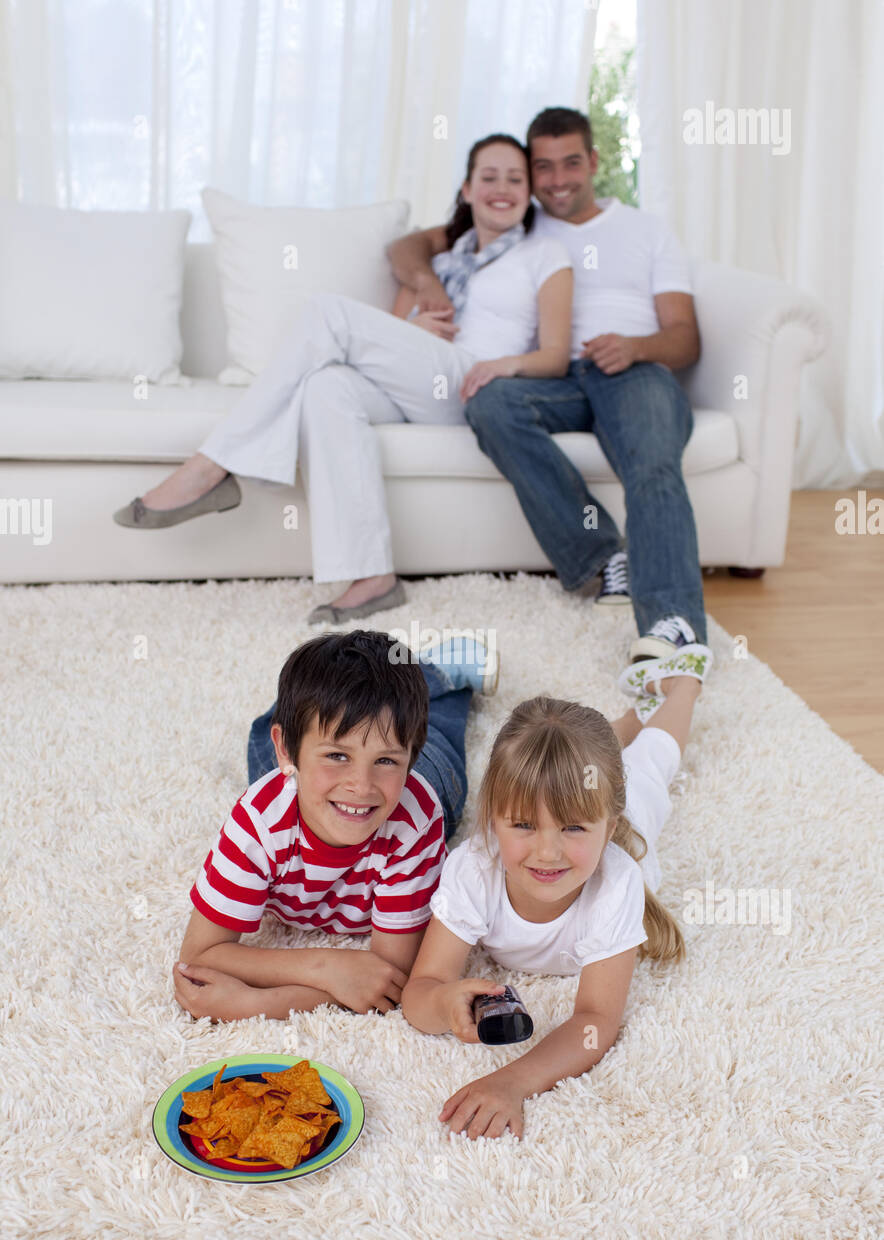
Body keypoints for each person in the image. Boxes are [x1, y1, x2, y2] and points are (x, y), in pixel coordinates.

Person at [114, 134, 573, 627]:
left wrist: (506, 364)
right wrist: (411, 326)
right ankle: (372, 576)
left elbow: (556, 356)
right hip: (420, 382)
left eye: (515, 179)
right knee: (324, 386)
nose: (501, 188)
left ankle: (211, 467)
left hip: (477, 386)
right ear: (465, 188)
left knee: (327, 313)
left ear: (529, 193)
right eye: (489, 177)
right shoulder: (438, 263)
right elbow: (392, 336)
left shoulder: (545, 255)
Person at [388, 106, 708, 665]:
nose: (558, 180)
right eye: (544, 167)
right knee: (488, 403)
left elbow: (686, 339)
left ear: (595, 162)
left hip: (631, 372)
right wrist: (425, 282)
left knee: (652, 465)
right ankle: (602, 555)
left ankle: (672, 630)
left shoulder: (645, 229)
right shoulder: (519, 220)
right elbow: (406, 247)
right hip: (559, 379)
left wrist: (636, 346)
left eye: (571, 164)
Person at [400, 639, 714, 1140]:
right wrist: (443, 1003)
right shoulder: (472, 868)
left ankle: (683, 685)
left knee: (652, 761)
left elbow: (597, 1020)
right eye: (523, 825)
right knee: (570, 767)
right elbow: (420, 990)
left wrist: (512, 1082)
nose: (547, 853)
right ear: (491, 822)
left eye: (572, 829)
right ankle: (631, 716)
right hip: (586, 790)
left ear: (608, 829)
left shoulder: (618, 880)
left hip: (625, 805)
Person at [173, 627, 499, 1024]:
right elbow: (198, 956)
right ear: (286, 749)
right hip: (301, 781)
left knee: (438, 730)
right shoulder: (259, 821)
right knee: (271, 736)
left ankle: (437, 672)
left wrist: (258, 1005)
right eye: (336, 756)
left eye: (386, 760)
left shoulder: (414, 822)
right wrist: (325, 967)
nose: (360, 786)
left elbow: (388, 979)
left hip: (424, 779)